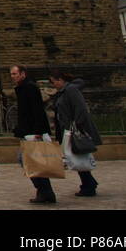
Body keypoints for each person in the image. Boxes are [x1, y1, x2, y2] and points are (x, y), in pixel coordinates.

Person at [49, 69, 101, 197]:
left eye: (54, 82)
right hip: (68, 130)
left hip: (74, 130)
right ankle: (89, 183)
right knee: (76, 157)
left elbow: (81, 108)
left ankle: (89, 185)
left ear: (61, 80)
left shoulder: (71, 90)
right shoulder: (63, 92)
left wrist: (76, 125)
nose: (53, 85)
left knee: (77, 156)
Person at [10, 64, 56, 204]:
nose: (12, 76)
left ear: (23, 74)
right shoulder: (23, 88)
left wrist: (37, 132)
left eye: (14, 73)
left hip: (33, 132)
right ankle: (44, 191)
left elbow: (36, 111)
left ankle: (45, 191)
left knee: (29, 161)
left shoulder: (28, 88)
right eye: (11, 74)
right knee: (32, 161)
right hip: (28, 131)